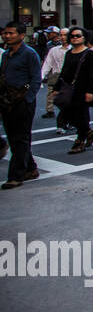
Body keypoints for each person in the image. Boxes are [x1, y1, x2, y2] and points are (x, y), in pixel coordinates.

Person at [1, 21, 43, 189]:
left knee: (21, 138)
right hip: (7, 101)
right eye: (6, 33)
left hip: (23, 101)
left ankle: (16, 176)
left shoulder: (29, 53)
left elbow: (36, 78)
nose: (7, 36)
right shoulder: (6, 54)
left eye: (11, 33)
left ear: (21, 35)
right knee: (14, 138)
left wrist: (28, 99)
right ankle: (31, 168)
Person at [58, 27, 93, 154]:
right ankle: (88, 131)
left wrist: (90, 92)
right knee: (68, 114)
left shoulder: (89, 54)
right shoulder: (69, 53)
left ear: (84, 37)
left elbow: (92, 75)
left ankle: (79, 141)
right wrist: (57, 87)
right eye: (72, 36)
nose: (75, 38)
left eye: (78, 36)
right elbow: (64, 71)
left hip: (83, 89)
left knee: (81, 115)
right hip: (69, 89)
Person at [39, 27, 67, 121]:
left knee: (66, 98)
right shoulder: (53, 49)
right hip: (56, 74)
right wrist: (41, 76)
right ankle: (50, 110)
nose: (63, 37)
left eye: (65, 35)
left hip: (69, 77)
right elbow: (48, 63)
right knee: (51, 93)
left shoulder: (73, 49)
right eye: (61, 35)